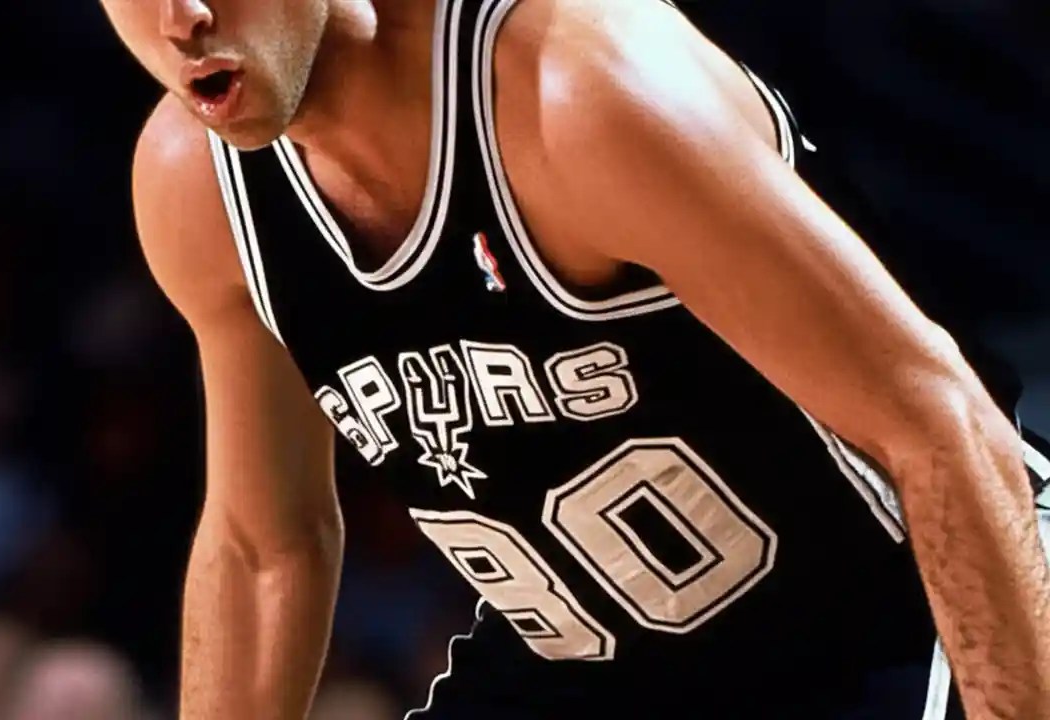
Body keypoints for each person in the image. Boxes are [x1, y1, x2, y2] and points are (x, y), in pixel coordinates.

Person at [97, 0, 1050, 717]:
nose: (182, 18)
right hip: (593, 671)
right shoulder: (196, 188)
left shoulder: (575, 86)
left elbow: (941, 424)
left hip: (895, 626)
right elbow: (265, 546)